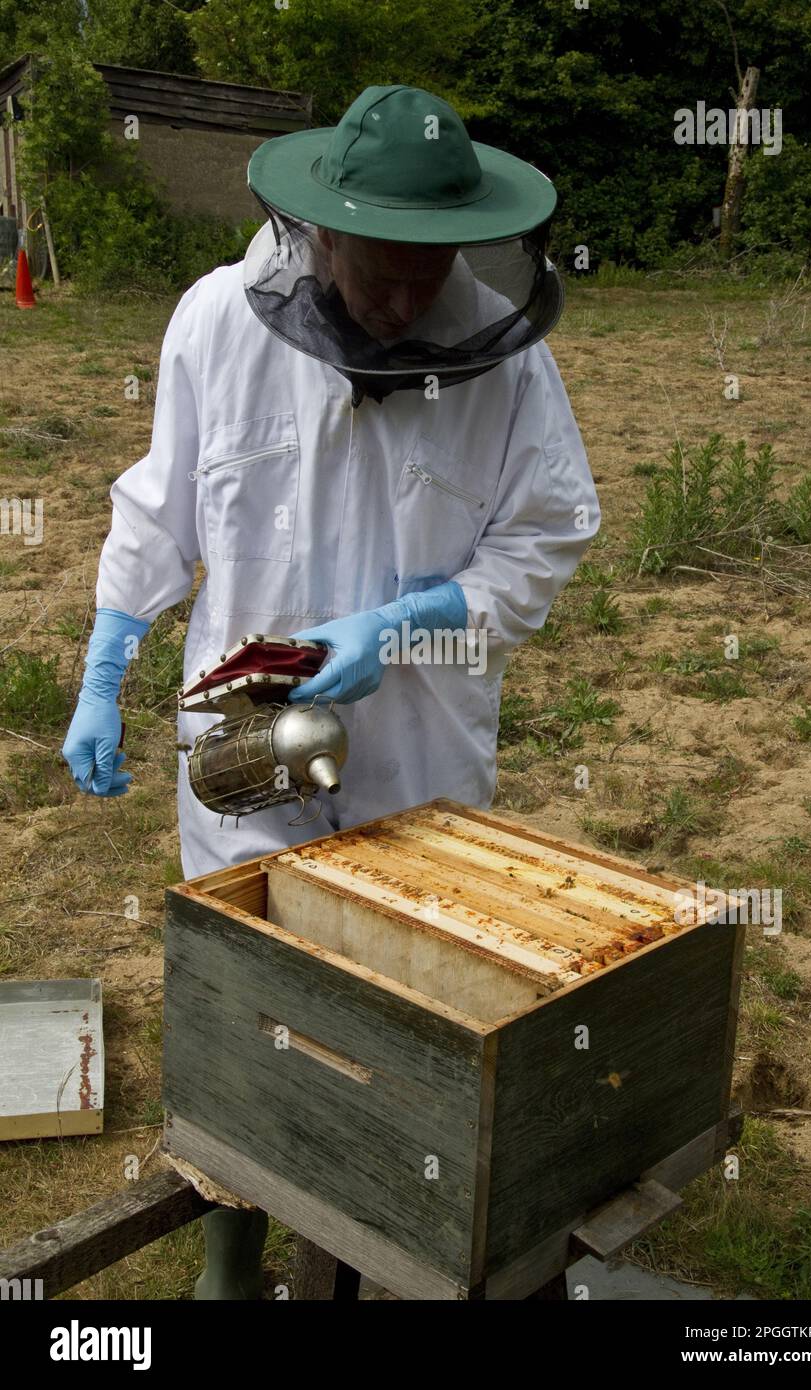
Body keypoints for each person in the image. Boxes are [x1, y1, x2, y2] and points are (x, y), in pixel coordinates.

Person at [62, 84, 600, 1299]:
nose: (407, 299)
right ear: (320, 230)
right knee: (247, 1009)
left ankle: (378, 1243)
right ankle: (228, 1261)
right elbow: (160, 506)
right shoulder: (214, 319)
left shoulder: (507, 364)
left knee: (400, 1025)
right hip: (251, 741)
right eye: (379, 268)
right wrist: (106, 668)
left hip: (417, 751)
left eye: (429, 271)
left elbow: (547, 534)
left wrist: (412, 619)